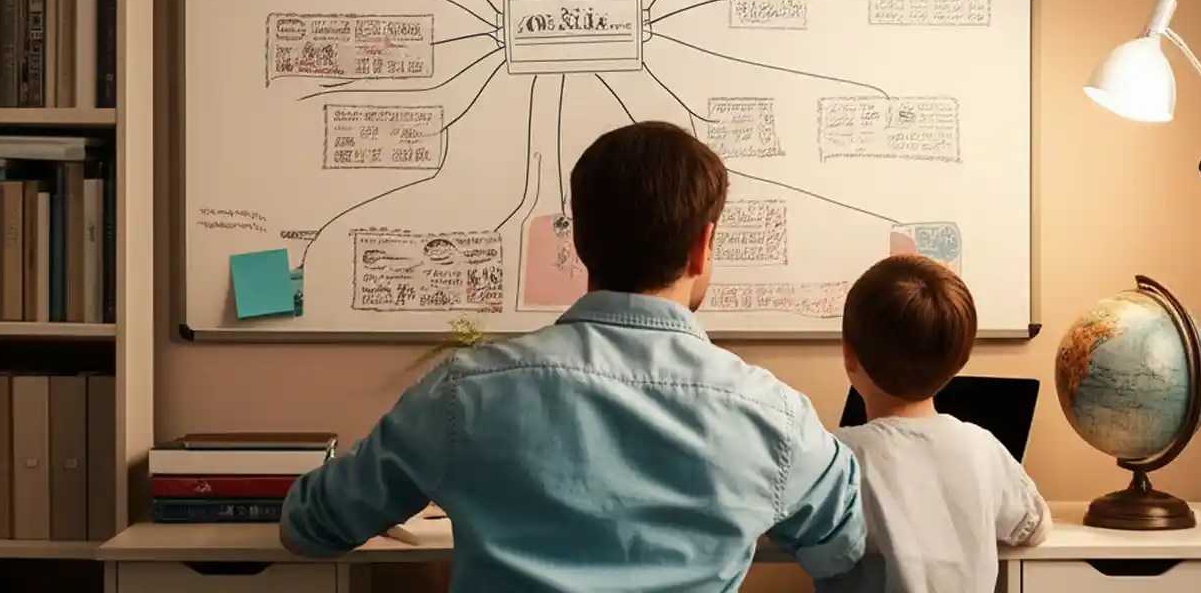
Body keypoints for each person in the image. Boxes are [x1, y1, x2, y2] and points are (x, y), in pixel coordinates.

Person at [279, 121, 866, 592]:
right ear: (702, 245)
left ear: (580, 240)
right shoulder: (774, 415)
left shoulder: (464, 393)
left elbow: (310, 526)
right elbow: (841, 547)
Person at [815, 254, 1051, 593]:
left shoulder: (837, 458)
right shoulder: (982, 447)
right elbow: (1035, 527)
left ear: (848, 354)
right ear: (960, 360)